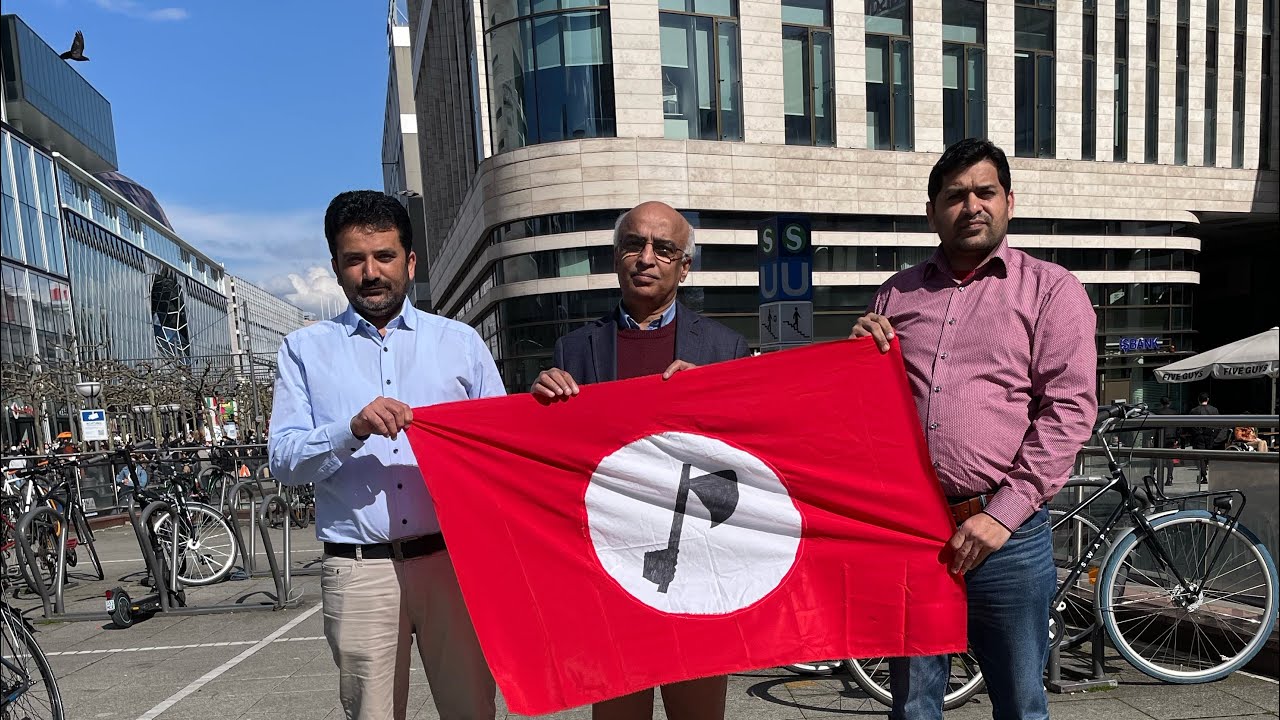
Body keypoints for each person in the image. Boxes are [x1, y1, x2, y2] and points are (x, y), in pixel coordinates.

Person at [850, 138, 1098, 720]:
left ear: (1010, 202)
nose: (971, 206)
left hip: (1007, 536)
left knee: (1019, 704)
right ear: (931, 211)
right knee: (912, 706)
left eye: (985, 192)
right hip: (914, 532)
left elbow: (1069, 410)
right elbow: (871, 412)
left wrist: (1000, 516)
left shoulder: (1050, 288)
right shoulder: (897, 292)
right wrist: (858, 356)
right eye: (955, 196)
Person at [269, 190, 503, 720]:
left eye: (384, 256)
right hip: (359, 572)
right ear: (335, 267)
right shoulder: (304, 351)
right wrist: (348, 430)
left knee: (473, 709)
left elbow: (500, 447)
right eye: (355, 259)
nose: (370, 272)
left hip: (453, 564)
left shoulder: (460, 344)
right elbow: (283, 460)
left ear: (410, 261)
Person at [531, 201, 749, 720]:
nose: (646, 257)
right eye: (634, 245)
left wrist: (714, 401)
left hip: (696, 569)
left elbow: (751, 454)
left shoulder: (725, 348)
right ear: (616, 257)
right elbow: (557, 463)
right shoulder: (574, 350)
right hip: (609, 572)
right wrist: (539, 406)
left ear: (684, 265)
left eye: (663, 248)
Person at [1188, 392, 1220, 484]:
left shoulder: (1194, 411)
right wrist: (1215, 435)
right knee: (1207, 454)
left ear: (1199, 400)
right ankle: (1204, 471)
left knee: (1200, 455)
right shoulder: (1214, 410)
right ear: (1208, 400)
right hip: (1210, 434)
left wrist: (1194, 434)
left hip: (1198, 435)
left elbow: (1190, 425)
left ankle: (1203, 474)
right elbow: (1218, 424)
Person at [1152, 397, 1178, 485]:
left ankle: (1152, 475)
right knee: (1169, 459)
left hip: (1159, 438)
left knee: (1156, 457)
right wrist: (1177, 438)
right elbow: (1178, 427)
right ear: (1169, 403)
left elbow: (1153, 427)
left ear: (1161, 403)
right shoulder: (1174, 413)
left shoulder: (1157, 413)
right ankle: (1169, 478)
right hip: (1170, 438)